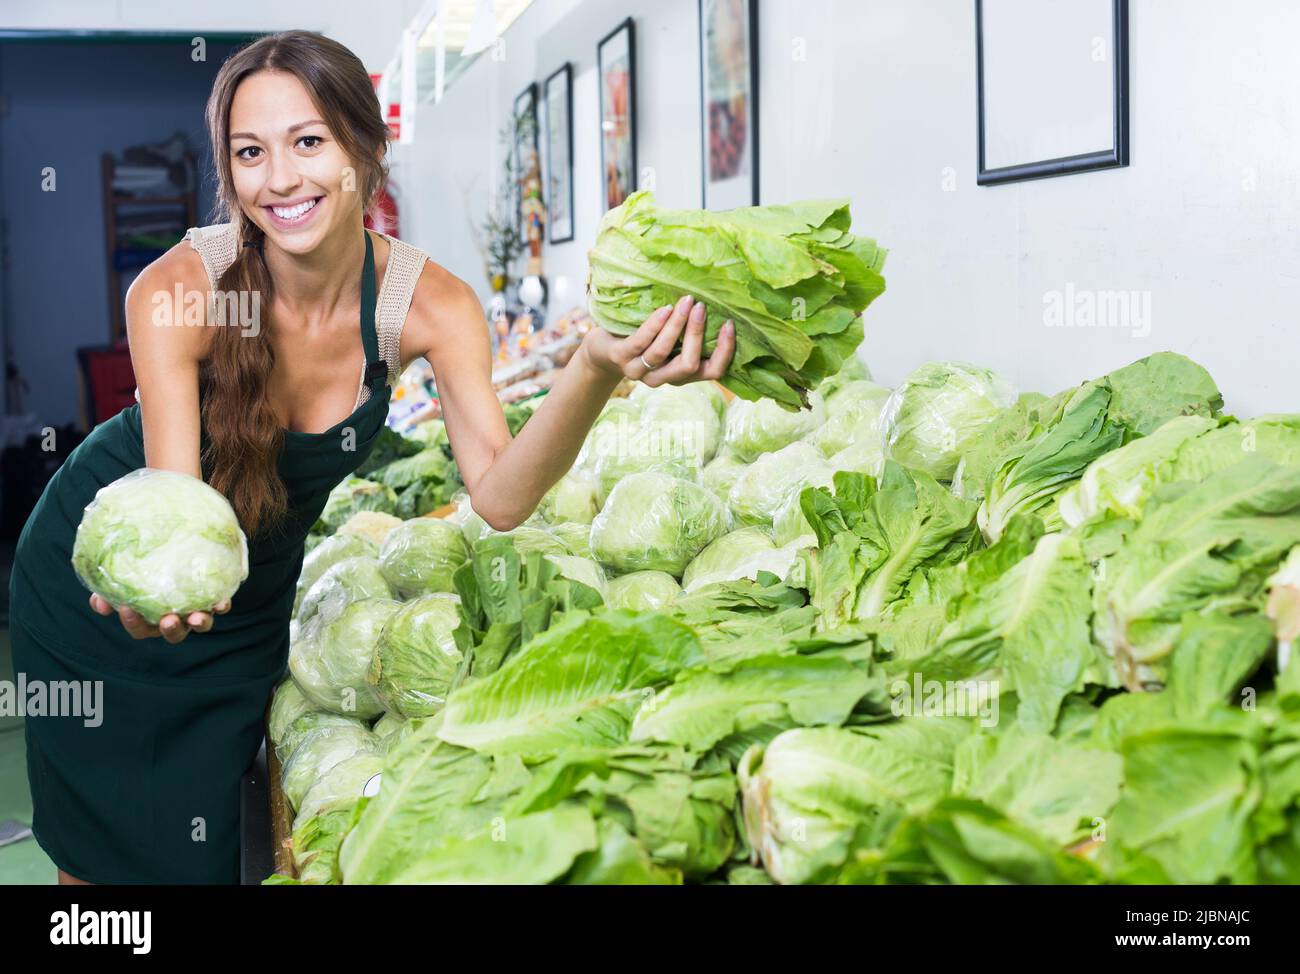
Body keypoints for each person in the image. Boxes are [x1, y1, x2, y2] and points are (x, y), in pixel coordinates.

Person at [9, 30, 734, 885]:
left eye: (308, 142)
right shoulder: (176, 292)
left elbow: (499, 496)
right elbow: (177, 520)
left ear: (367, 150)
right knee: (102, 852)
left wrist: (594, 365)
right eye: (250, 152)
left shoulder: (429, 304)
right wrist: (147, 596)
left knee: (199, 847)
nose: (278, 179)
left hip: (250, 601)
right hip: (107, 589)